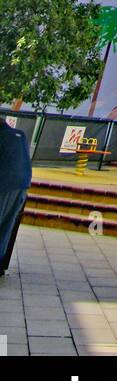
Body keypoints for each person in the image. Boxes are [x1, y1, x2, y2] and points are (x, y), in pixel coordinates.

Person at [0, 115, 32, 275]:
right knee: (6, 226)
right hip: (22, 185)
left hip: (4, 184)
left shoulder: (2, 137)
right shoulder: (20, 135)